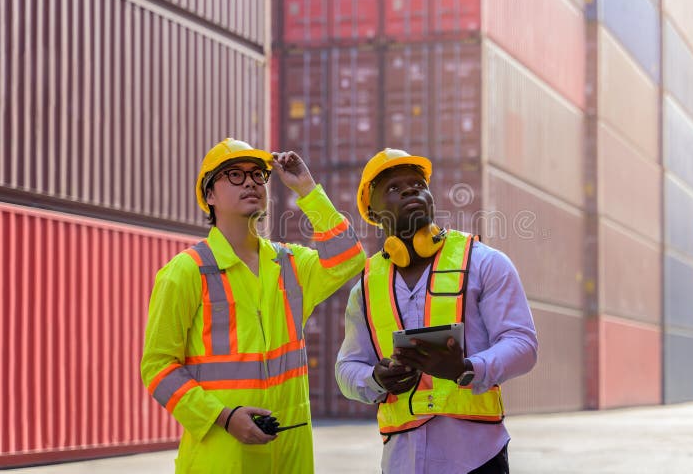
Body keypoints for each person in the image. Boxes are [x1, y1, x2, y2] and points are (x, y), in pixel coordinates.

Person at [141, 138, 365, 473]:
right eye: (233, 174)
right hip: (222, 457)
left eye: (258, 174)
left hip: (290, 455)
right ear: (209, 196)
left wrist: (306, 188)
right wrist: (224, 418)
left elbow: (349, 259)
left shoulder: (290, 265)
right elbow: (157, 367)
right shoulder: (185, 272)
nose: (250, 181)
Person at [335, 148, 539, 473]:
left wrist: (467, 368)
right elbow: (347, 368)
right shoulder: (365, 286)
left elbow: (523, 344)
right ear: (372, 211)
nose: (410, 190)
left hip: (478, 458)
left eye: (418, 184)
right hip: (401, 461)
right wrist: (376, 378)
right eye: (393, 187)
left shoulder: (484, 262)